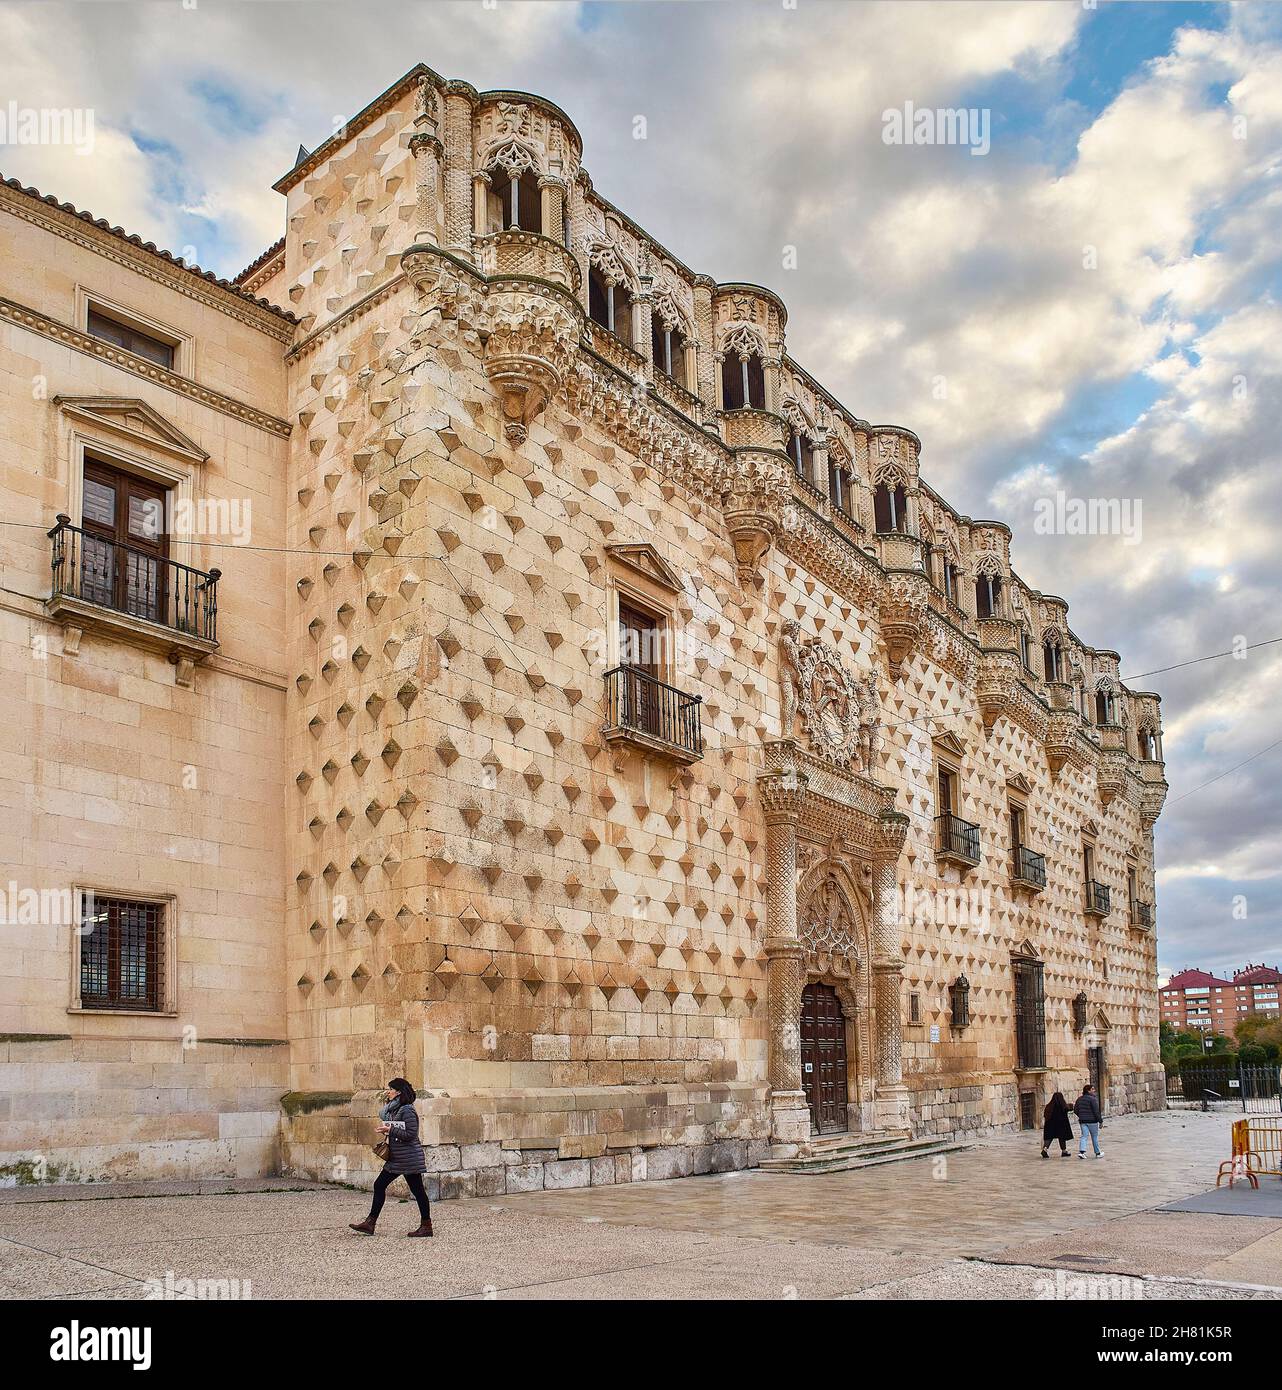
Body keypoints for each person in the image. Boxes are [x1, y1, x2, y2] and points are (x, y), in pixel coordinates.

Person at [349, 1077, 433, 1237]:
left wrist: (390, 1129)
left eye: (391, 1089)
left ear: (399, 1092)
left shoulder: (407, 1109)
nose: (388, 1092)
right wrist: (388, 1129)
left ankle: (426, 1226)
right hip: (398, 1158)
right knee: (380, 1185)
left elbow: (410, 1134)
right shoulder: (395, 1109)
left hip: (408, 1158)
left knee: (418, 1191)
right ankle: (370, 1223)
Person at [1074, 1083, 1103, 1158]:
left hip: (1083, 1121)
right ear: (1088, 1090)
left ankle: (1082, 1152)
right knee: (1094, 1137)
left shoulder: (1079, 1099)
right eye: (1092, 1089)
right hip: (1092, 1121)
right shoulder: (1092, 1099)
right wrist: (1100, 1121)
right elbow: (1096, 1111)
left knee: (1084, 1136)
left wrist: (1081, 1115)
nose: (1094, 1090)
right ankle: (1097, 1153)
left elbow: (1075, 1110)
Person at [1040, 1090, 1073, 1158]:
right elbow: (1069, 1108)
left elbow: (1045, 1115)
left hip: (1050, 1125)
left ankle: (1045, 1149)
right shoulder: (1063, 1106)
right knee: (1062, 1137)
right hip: (1061, 1125)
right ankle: (1064, 1151)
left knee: (1049, 1138)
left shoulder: (1049, 1106)